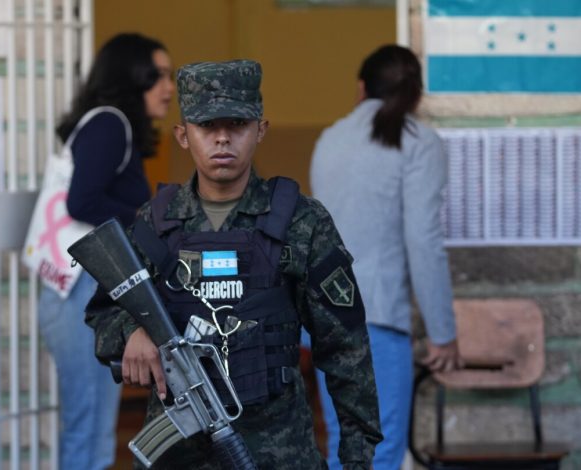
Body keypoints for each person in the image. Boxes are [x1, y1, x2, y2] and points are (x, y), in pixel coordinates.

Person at [84, 59, 382, 469]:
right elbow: (103, 309)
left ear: (260, 130)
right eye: (207, 127)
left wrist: (357, 458)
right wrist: (130, 331)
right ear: (183, 135)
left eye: (237, 125)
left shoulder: (301, 221)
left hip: (277, 451)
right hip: (177, 454)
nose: (222, 139)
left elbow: (347, 351)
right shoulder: (154, 223)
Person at [309, 44, 463, 470]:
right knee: (381, 447)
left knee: (344, 444)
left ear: (361, 88)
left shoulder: (330, 139)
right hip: (377, 318)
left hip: (326, 318)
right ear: (416, 94)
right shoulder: (418, 141)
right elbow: (423, 239)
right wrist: (442, 331)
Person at [37, 32, 174, 470]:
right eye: (159, 76)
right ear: (132, 78)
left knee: (93, 426)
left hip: (80, 290)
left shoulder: (113, 126)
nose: (169, 87)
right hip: (81, 291)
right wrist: (147, 221)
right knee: (89, 426)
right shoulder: (109, 123)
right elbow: (82, 202)